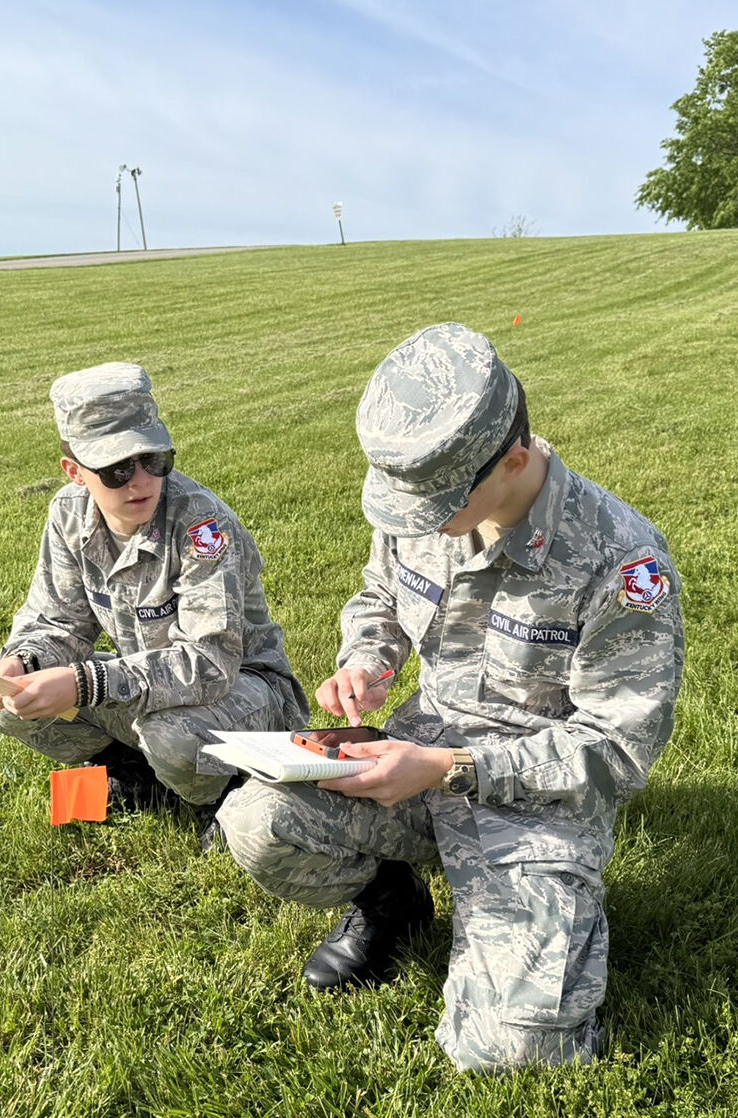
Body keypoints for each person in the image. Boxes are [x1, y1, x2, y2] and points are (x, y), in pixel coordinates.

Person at [217, 323, 684, 1071]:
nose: (419, 522)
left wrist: (448, 768)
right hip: (416, 749)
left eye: (435, 505)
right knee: (257, 819)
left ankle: (543, 910)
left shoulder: (620, 560)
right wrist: (367, 662)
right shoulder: (429, 503)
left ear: (513, 462)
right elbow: (380, 595)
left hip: (536, 801)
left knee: (515, 1052)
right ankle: (393, 900)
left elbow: (617, 751)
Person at [0, 361, 308, 838]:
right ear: (74, 472)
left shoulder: (201, 524)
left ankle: (225, 795)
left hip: (245, 693)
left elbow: (210, 664)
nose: (141, 481)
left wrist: (84, 684)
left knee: (170, 735)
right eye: (117, 469)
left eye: (154, 460)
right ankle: (136, 773)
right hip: (151, 686)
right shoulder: (68, 514)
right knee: (13, 700)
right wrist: (23, 663)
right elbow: (59, 622)